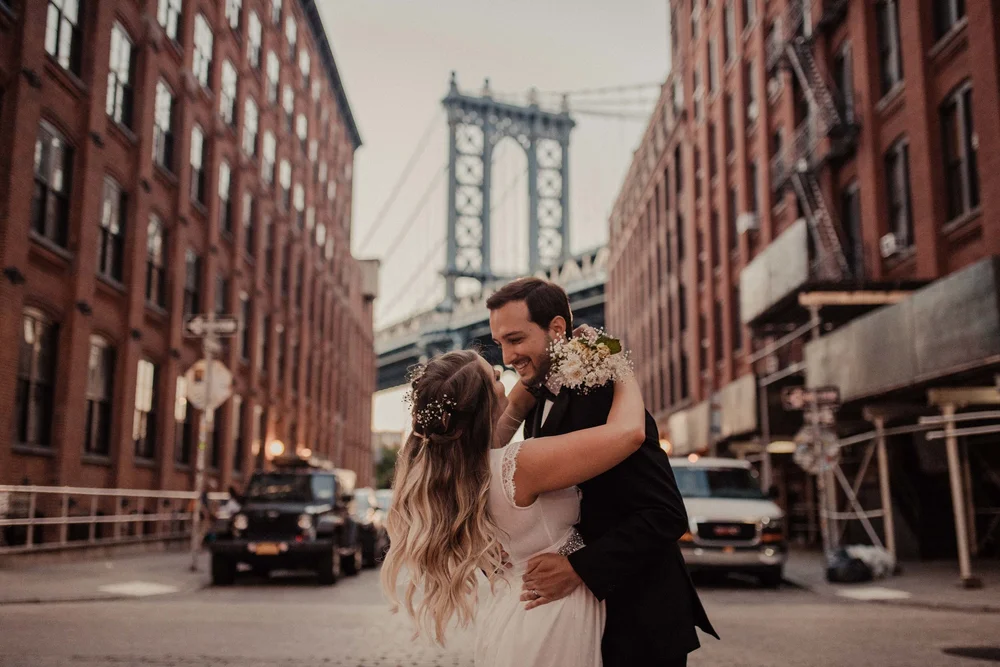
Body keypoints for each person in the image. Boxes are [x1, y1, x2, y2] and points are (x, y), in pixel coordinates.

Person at [486, 277, 717, 667]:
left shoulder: (603, 395)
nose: (507, 357)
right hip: (581, 624)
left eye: (516, 339)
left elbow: (666, 513)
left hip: (636, 622)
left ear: (557, 329)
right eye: (500, 344)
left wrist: (579, 568)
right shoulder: (537, 398)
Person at [381, 348, 648, 667]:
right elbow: (629, 433)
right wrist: (617, 363)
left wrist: (563, 351)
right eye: (495, 376)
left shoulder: (462, 472)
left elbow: (516, 402)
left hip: (519, 609)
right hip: (549, 616)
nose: (503, 374)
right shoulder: (518, 465)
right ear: (485, 404)